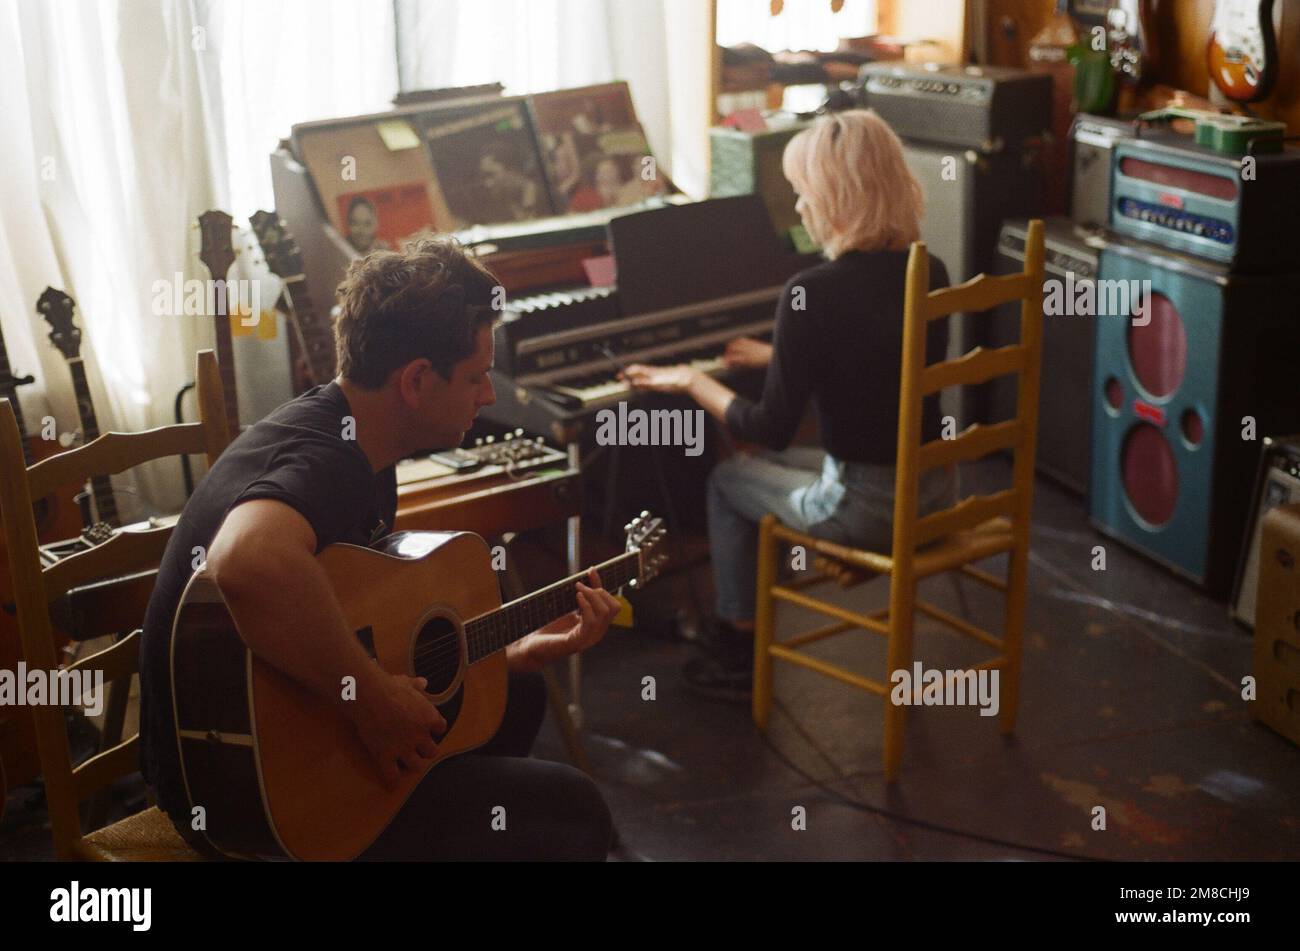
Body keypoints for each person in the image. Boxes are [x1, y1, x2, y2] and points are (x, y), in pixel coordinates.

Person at [139, 238, 619, 860]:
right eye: (476, 377)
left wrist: (519, 649)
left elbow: (364, 620)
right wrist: (369, 698)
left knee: (513, 694)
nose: (488, 396)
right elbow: (246, 558)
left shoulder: (354, 434)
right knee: (574, 811)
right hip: (238, 798)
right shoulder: (330, 459)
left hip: (259, 765)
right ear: (416, 380)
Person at [622, 109, 956, 703]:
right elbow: (878, 358)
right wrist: (781, 354)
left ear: (837, 197)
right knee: (775, 468)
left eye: (804, 192)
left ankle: (738, 644)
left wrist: (692, 382)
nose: (799, 208)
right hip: (932, 492)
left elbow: (768, 428)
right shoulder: (929, 268)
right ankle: (749, 621)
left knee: (730, 477)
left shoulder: (811, 292)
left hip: (867, 511)